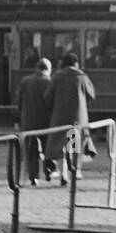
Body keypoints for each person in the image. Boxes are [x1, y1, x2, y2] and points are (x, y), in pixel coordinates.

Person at [44, 52, 96, 187]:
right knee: (74, 145)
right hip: (78, 118)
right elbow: (91, 95)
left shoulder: (56, 76)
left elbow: (47, 97)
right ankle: (76, 172)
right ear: (76, 63)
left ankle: (63, 175)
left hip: (59, 117)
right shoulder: (82, 76)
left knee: (60, 147)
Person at [16, 58, 53, 185]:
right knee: (48, 146)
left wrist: (22, 114)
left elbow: (19, 100)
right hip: (46, 121)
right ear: (48, 69)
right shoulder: (49, 81)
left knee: (31, 149)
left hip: (29, 121)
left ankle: (33, 177)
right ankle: (48, 169)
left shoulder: (26, 81)